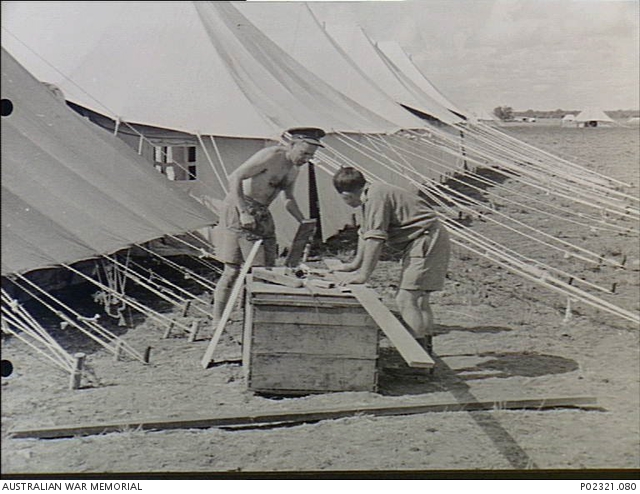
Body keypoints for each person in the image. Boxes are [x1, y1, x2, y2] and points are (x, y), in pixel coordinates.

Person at [211, 127, 325, 325]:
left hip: (262, 213)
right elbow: (235, 177)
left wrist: (303, 220)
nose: (305, 158)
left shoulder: (294, 169)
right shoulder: (271, 155)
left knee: (267, 269)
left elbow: (288, 199)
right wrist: (244, 211)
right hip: (240, 208)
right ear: (292, 145)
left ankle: (253, 317)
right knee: (232, 269)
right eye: (303, 153)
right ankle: (217, 320)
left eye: (310, 155)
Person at [330, 167, 450, 354]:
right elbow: (365, 234)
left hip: (426, 239)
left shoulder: (376, 197)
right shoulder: (370, 195)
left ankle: (417, 358)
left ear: (346, 194)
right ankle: (425, 353)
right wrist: (355, 265)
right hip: (425, 238)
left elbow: (376, 239)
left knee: (406, 299)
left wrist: (363, 275)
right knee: (419, 300)